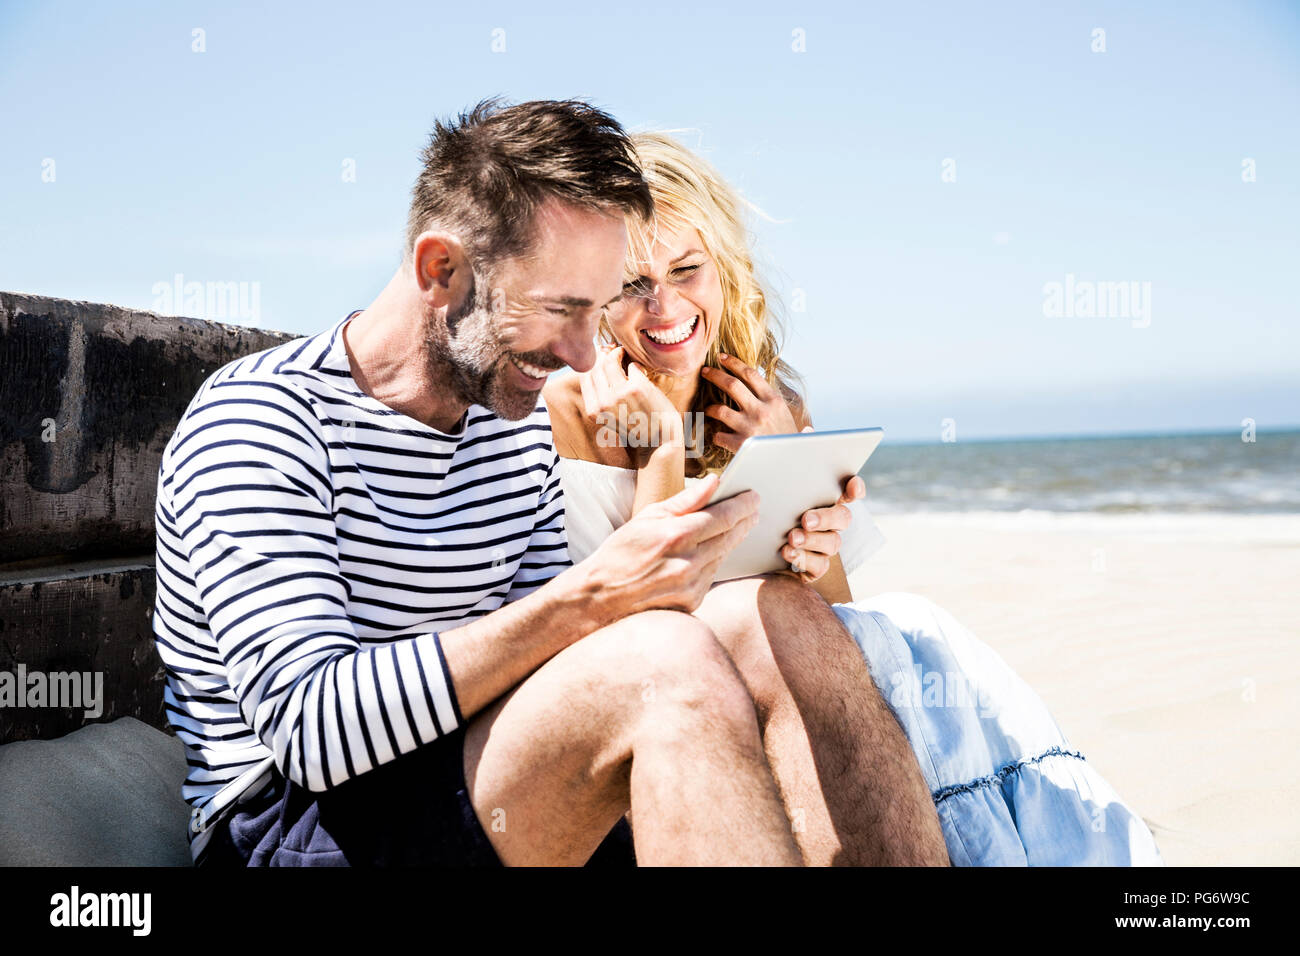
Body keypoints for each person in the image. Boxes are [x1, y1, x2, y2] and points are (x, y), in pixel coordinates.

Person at [152, 98, 949, 867]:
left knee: (769, 616)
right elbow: (313, 731)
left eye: (594, 312)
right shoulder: (263, 418)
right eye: (559, 309)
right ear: (442, 270)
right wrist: (589, 598)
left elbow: (558, 669)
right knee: (660, 664)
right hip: (299, 826)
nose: (580, 354)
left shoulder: (512, 423)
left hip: (478, 775)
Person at [543, 131, 1164, 865]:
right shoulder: (568, 407)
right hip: (671, 691)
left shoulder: (765, 401)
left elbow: (833, 611)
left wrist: (799, 495)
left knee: (906, 627)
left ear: (724, 268)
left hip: (798, 674)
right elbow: (636, 630)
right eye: (631, 285)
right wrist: (660, 454)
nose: (666, 305)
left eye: (687, 270)